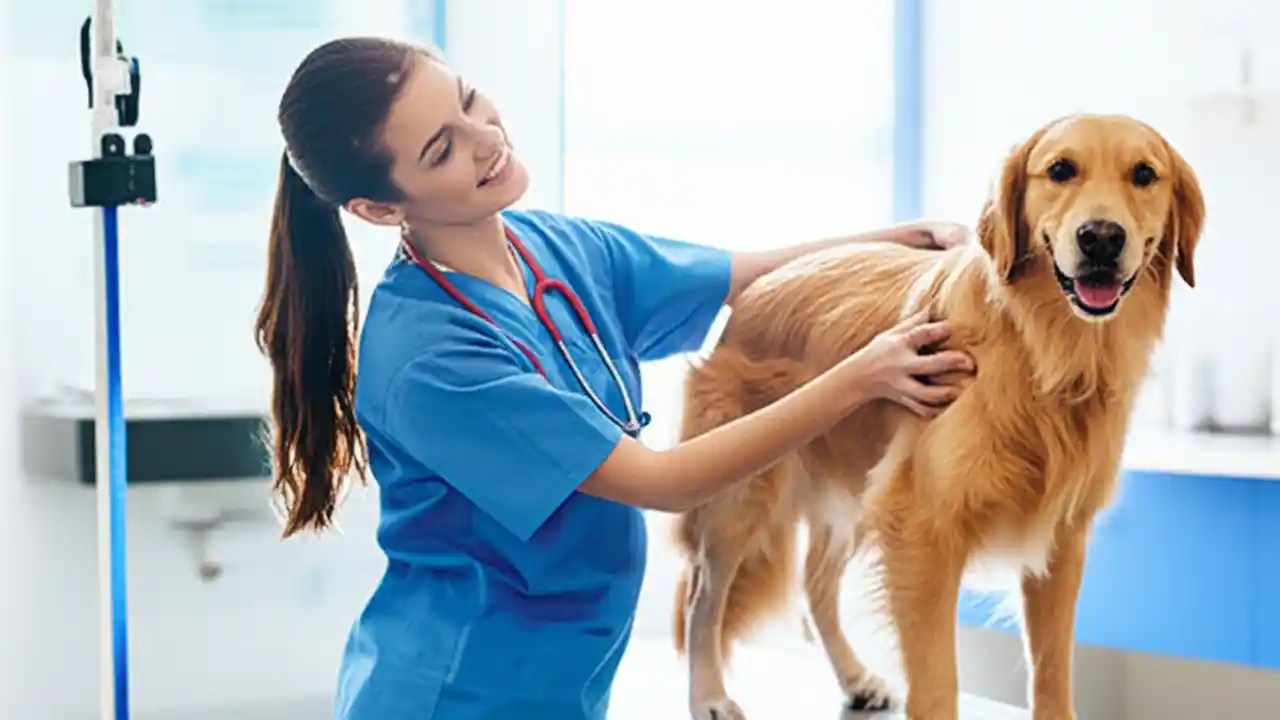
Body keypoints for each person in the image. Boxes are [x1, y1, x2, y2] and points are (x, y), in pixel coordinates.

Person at [254, 36, 976, 720]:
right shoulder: (431, 359)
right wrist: (863, 375)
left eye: (469, 99)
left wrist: (899, 240)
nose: (486, 138)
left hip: (562, 679)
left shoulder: (556, 248)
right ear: (381, 210)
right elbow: (665, 482)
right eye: (443, 149)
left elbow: (742, 274)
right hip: (459, 691)